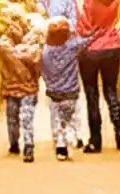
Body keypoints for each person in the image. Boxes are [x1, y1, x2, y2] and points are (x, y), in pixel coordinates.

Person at [33, 0, 84, 147]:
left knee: (64, 84)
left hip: (62, 34)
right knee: (64, 84)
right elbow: (39, 4)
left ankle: (69, 132)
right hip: (57, 33)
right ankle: (70, 131)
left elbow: (72, 7)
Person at [77, 0, 120, 152]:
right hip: (113, 47)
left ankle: (95, 142)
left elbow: (82, 26)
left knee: (91, 94)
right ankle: (119, 132)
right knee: (111, 91)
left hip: (90, 51)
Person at [40, 15, 101, 161]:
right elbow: (87, 40)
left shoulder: (45, 52)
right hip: (71, 93)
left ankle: (61, 147)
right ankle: (72, 138)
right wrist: (97, 31)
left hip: (54, 94)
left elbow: (43, 71)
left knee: (57, 120)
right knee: (71, 118)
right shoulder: (71, 47)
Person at [0, 7, 41, 163]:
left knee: (13, 118)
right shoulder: (34, 47)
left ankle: (17, 145)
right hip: (28, 90)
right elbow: (38, 67)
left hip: (14, 89)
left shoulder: (4, 46)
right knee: (26, 118)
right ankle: (26, 146)